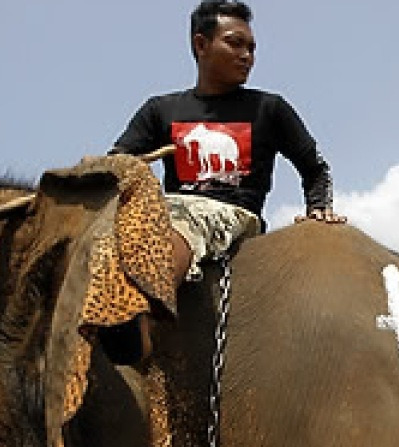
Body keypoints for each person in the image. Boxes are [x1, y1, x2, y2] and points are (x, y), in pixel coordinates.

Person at [102, 0, 344, 364]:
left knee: (182, 216)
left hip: (232, 215)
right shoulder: (161, 110)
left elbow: (314, 166)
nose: (247, 55)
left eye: (251, 48)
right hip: (171, 206)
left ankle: (138, 315)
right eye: (236, 44)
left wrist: (319, 207)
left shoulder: (269, 108)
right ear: (201, 45)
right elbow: (119, 162)